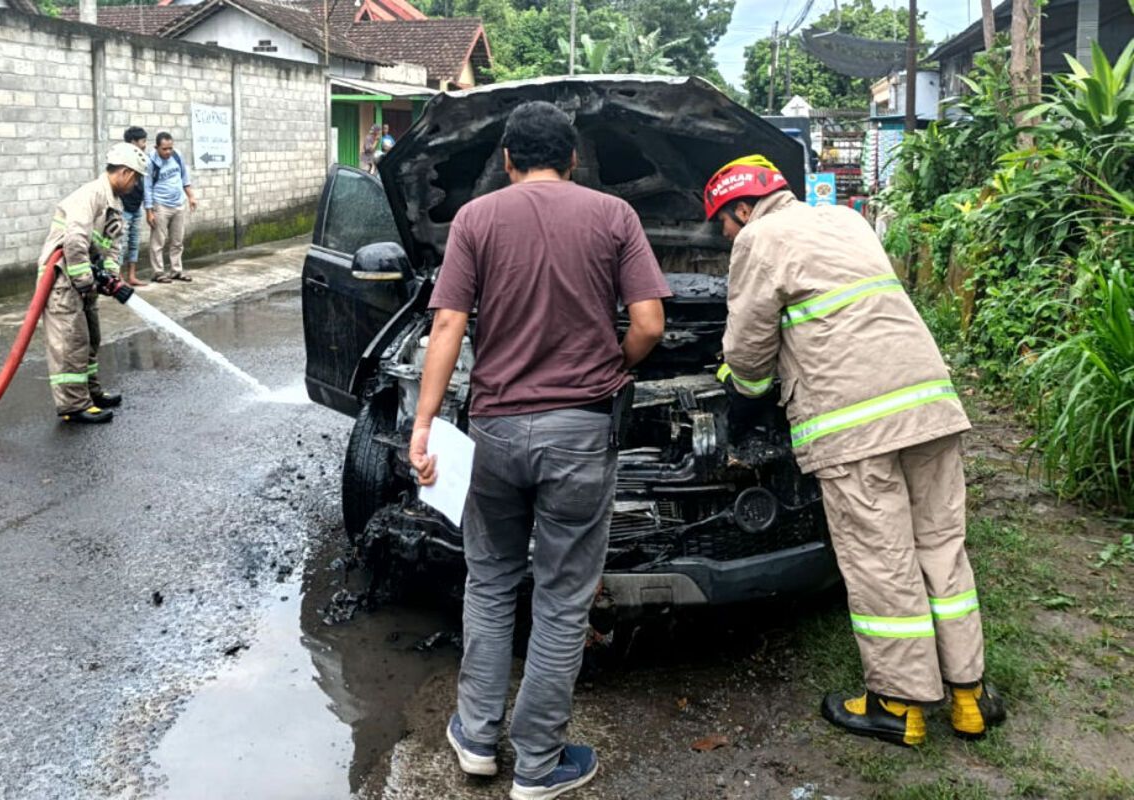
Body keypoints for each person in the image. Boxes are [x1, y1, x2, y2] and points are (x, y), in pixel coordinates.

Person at [408, 101, 670, 800]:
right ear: (574, 159)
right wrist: (612, 364)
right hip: (581, 435)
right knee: (560, 601)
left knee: (490, 584)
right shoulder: (614, 217)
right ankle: (539, 765)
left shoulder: (475, 219)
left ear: (508, 159)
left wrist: (424, 425)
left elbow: (448, 329)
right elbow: (649, 322)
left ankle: (475, 738)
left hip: (495, 431)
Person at [704, 155, 1005, 747]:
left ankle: (898, 704)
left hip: (854, 425)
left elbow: (748, 347)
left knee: (881, 558)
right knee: (942, 546)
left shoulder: (759, 238)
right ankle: (969, 695)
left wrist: (745, 397)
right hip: (928, 403)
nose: (726, 238)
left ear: (741, 208)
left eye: (724, 226)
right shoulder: (846, 219)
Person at [37, 143, 145, 424]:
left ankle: (91, 392)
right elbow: (74, 240)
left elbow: (112, 247)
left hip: (83, 279)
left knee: (91, 337)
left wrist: (110, 277)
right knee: (72, 340)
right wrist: (87, 280)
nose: (136, 185)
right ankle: (73, 406)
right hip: (63, 278)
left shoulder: (113, 205)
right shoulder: (91, 195)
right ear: (124, 172)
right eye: (135, 178)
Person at [145, 131, 198, 283]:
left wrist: (191, 196)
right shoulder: (150, 162)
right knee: (158, 242)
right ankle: (158, 272)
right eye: (165, 149)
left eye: (170, 148)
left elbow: (184, 177)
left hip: (178, 204)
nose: (168, 152)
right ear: (156, 147)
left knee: (177, 241)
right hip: (160, 206)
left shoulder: (176, 155)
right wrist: (149, 212)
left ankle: (176, 271)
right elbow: (147, 187)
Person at [119, 126, 148, 286]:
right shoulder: (121, 159)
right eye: (142, 141)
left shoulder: (142, 158)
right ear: (133, 142)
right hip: (123, 207)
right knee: (120, 243)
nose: (145, 144)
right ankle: (119, 277)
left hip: (137, 206)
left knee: (134, 241)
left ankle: (132, 276)